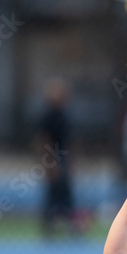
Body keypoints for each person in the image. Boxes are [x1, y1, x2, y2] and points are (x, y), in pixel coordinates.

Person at [37, 78, 78, 237]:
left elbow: (70, 141)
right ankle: (49, 225)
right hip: (54, 158)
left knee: (66, 192)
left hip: (64, 158)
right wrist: (49, 162)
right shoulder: (48, 116)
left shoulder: (65, 115)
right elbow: (43, 140)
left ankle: (69, 224)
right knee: (52, 192)